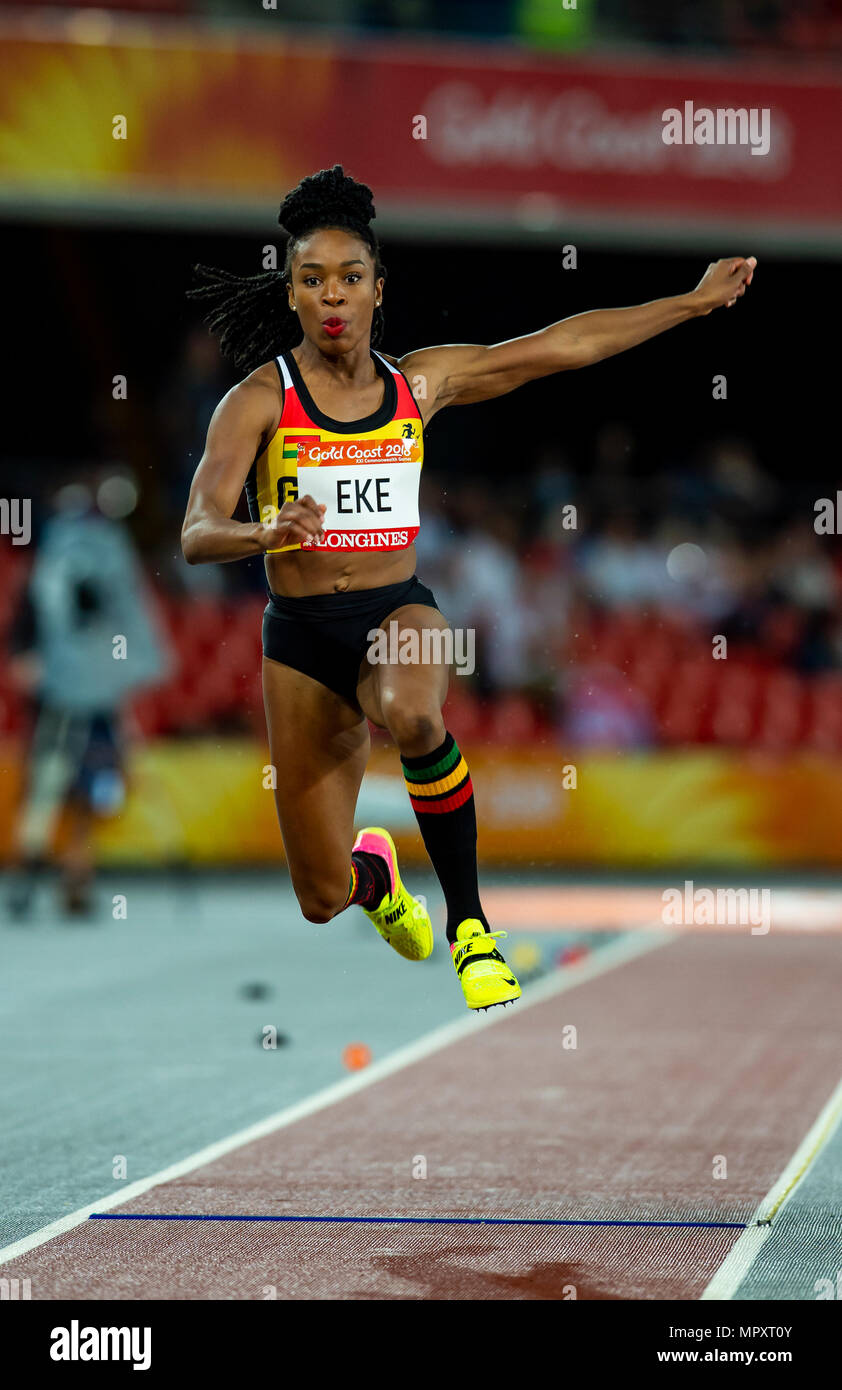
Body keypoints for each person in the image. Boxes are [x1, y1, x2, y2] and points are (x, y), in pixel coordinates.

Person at [182, 163, 755, 1011]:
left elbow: (563, 346)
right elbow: (195, 532)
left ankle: (472, 930)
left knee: (415, 714)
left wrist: (691, 303)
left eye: (350, 278)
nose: (333, 297)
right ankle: (376, 878)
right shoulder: (258, 400)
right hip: (300, 637)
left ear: (380, 287)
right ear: (292, 293)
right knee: (320, 897)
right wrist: (260, 532)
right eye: (312, 280)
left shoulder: (421, 383)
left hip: (396, 610)